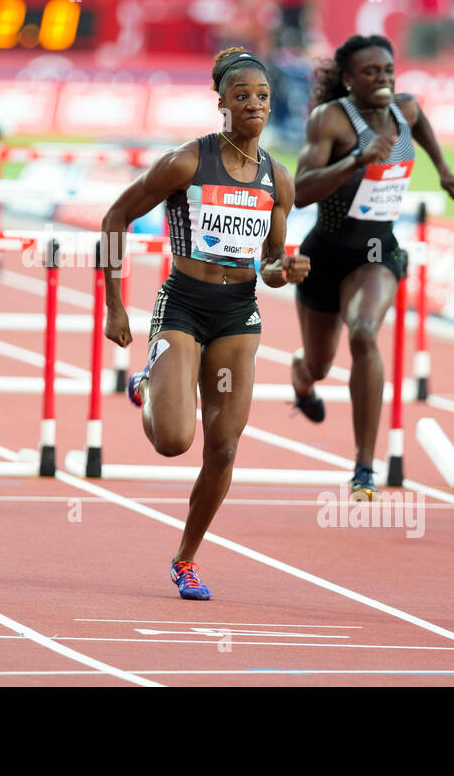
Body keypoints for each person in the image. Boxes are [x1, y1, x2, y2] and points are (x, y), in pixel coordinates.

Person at [102, 47, 311, 600]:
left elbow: (268, 266)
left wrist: (284, 270)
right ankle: (148, 382)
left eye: (262, 96)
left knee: (223, 447)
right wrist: (115, 304)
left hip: (238, 314)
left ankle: (186, 558)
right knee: (173, 440)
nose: (254, 105)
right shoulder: (187, 163)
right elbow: (115, 216)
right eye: (241, 96)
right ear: (220, 103)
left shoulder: (278, 181)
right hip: (184, 305)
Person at [289, 34, 454, 501]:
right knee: (320, 364)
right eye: (371, 72)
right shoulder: (329, 121)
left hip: (377, 253)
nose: (383, 79)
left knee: (365, 333)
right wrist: (355, 160)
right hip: (324, 254)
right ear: (349, 80)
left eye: (388, 70)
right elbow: (300, 190)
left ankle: (364, 468)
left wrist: (443, 170)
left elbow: (421, 123)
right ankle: (301, 376)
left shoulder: (403, 110)